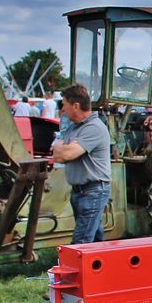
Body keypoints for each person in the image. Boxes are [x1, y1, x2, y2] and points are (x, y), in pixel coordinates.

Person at [52, 84, 111, 244]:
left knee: (81, 240)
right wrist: (63, 149)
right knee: (94, 237)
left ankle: (74, 268)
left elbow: (66, 153)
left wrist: (63, 148)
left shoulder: (94, 128)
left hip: (93, 191)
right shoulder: (74, 128)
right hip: (80, 191)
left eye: (64, 104)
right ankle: (105, 265)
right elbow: (57, 154)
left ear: (75, 106)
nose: (62, 108)